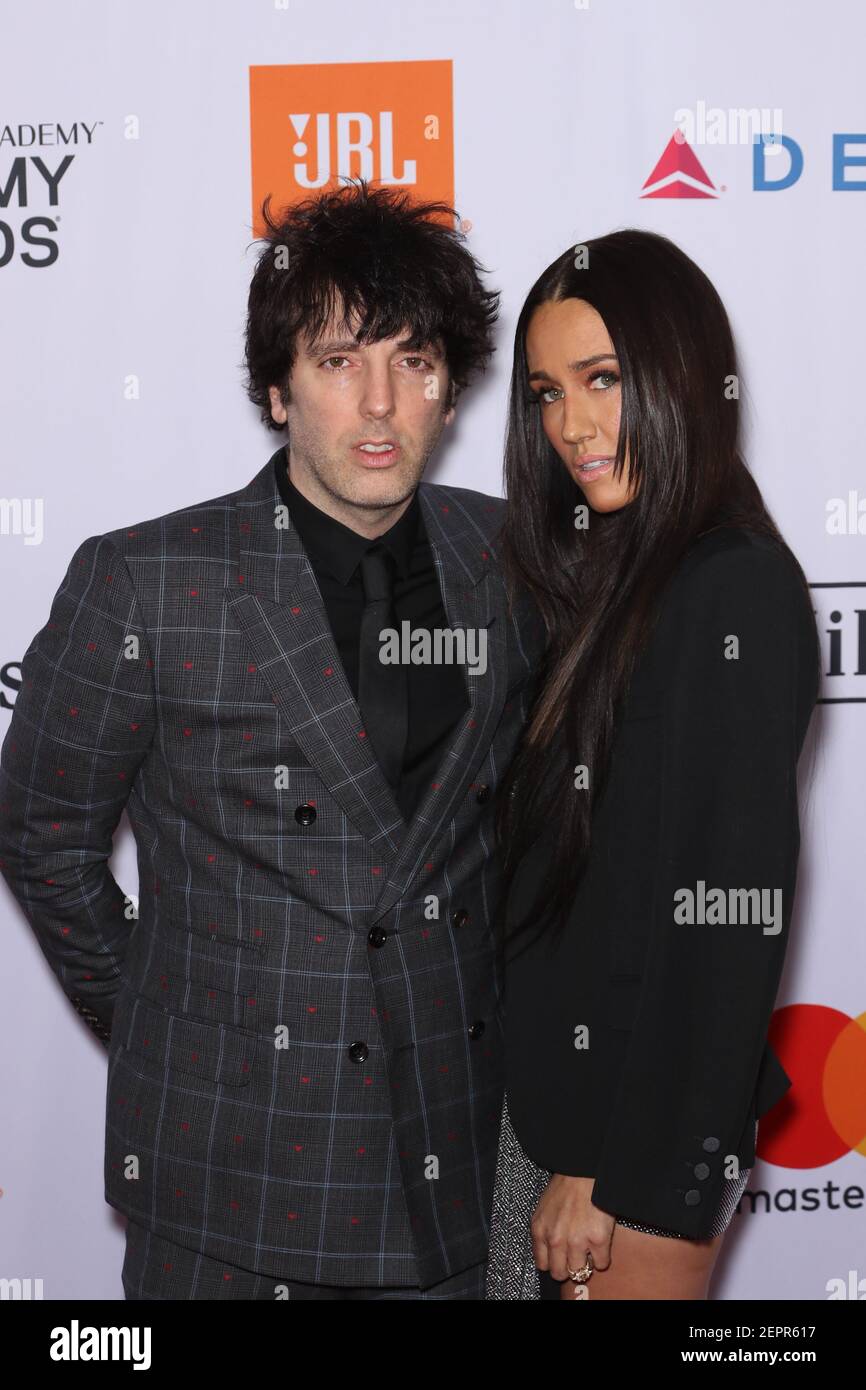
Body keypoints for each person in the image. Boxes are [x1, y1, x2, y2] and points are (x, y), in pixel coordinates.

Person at [0, 178, 544, 1300]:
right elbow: (41, 833)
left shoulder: (510, 561)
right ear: (275, 387)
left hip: (453, 1168)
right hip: (229, 1184)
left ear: (451, 390)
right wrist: (173, 1014)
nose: (380, 405)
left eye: (413, 362)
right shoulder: (149, 581)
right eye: (340, 362)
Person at [484, 229, 821, 1301]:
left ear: (680, 373)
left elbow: (716, 919)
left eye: (602, 380)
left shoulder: (731, 587)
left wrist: (605, 1166)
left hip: (625, 1152)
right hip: (558, 1120)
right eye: (545, 392)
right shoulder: (616, 580)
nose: (571, 426)